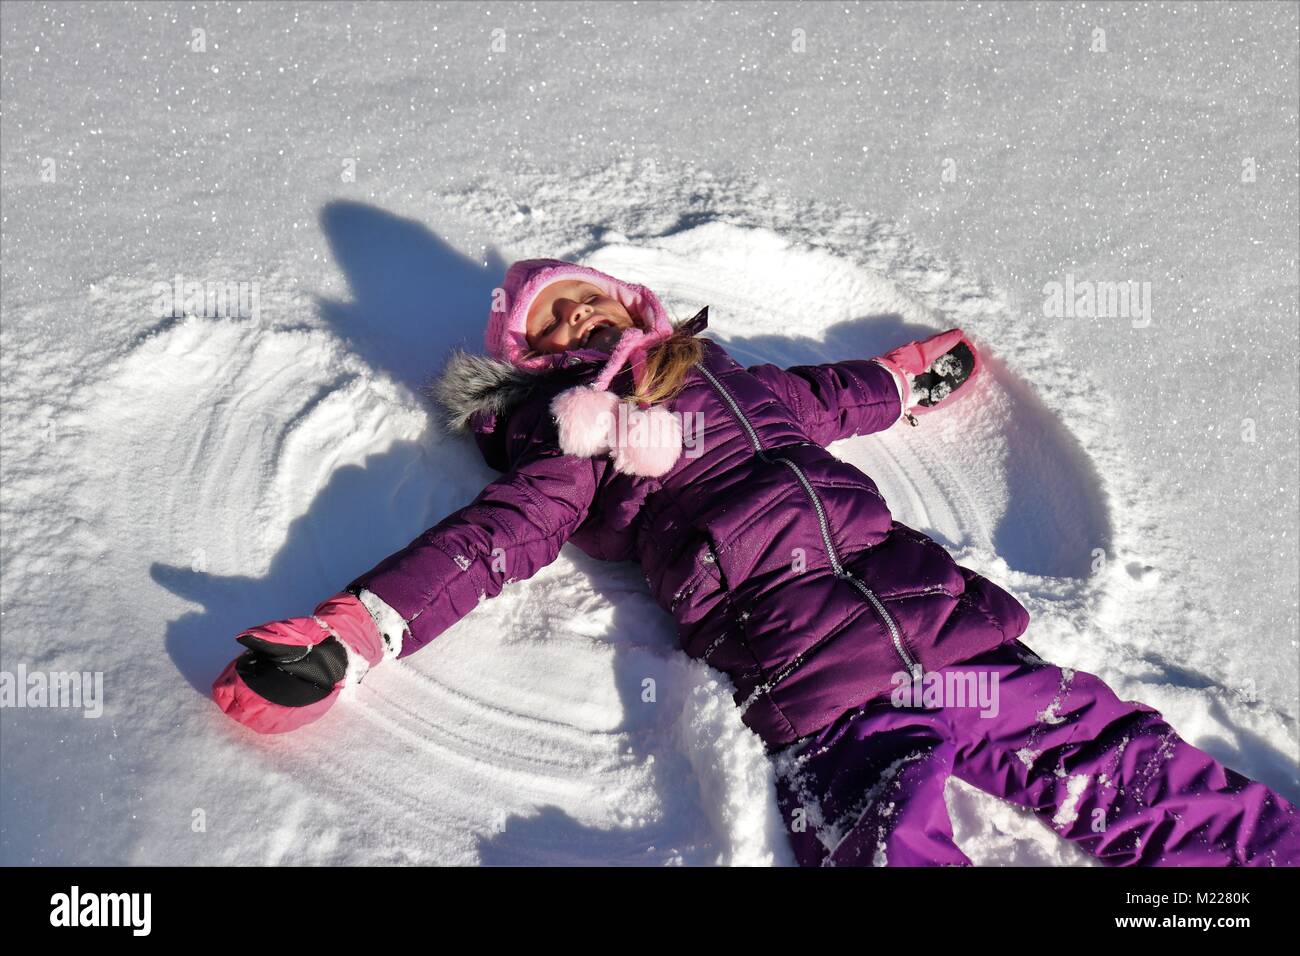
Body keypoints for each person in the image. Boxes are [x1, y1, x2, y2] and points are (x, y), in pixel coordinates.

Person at [211, 257, 1300, 866]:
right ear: (533, 361)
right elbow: (493, 541)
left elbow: (837, 396)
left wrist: (913, 380)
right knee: (886, 838)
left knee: (1118, 756)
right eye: (554, 322)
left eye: (588, 297)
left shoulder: (737, 380)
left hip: (948, 630)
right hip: (824, 685)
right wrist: (357, 632)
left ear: (635, 305)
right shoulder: (571, 432)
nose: (582, 315)